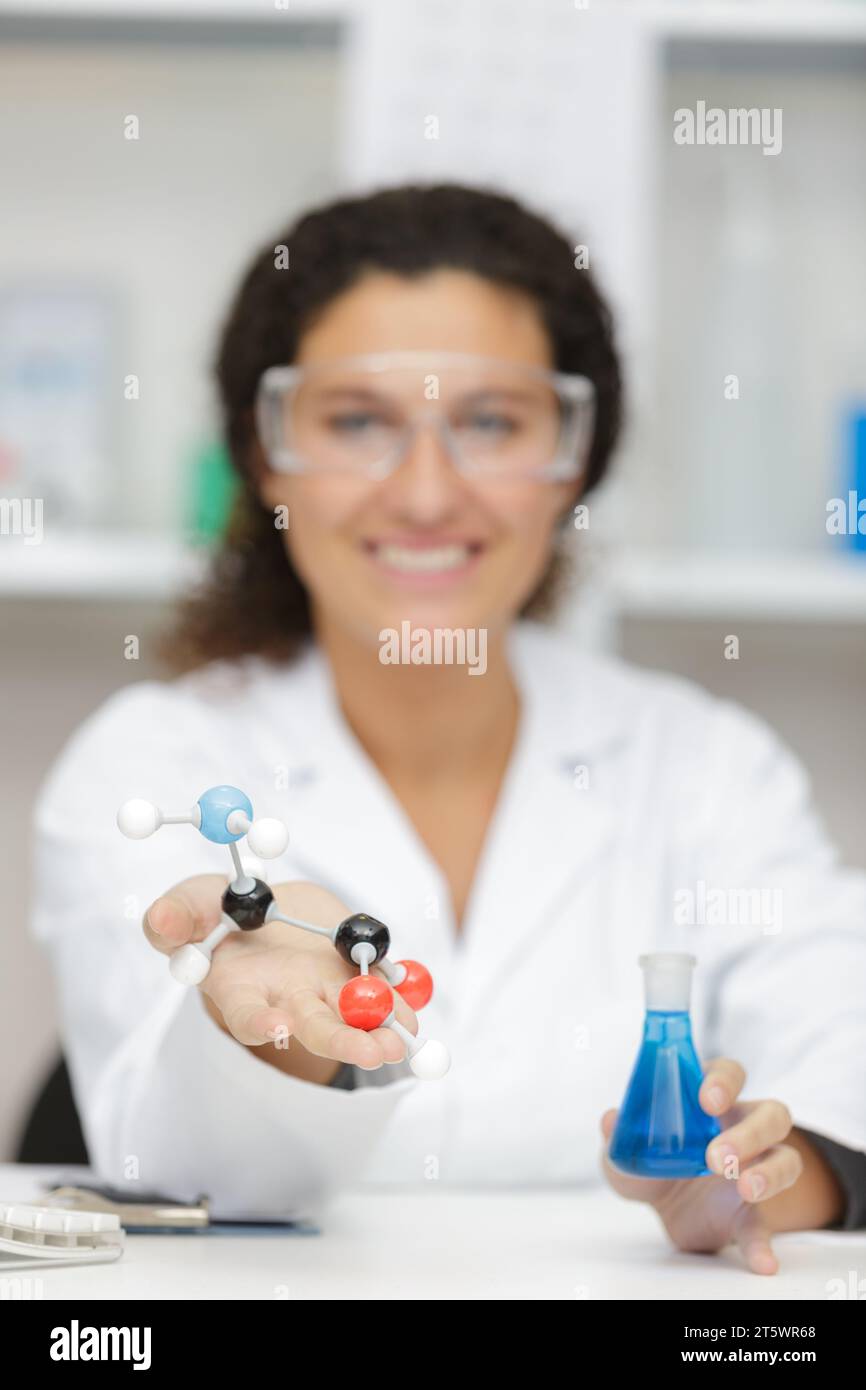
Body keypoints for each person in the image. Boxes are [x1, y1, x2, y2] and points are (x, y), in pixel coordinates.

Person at [32, 184, 866, 1274]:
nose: (425, 493)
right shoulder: (153, 765)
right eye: (357, 421)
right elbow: (176, 1155)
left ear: (573, 457)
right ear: (267, 453)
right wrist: (276, 1023)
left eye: (487, 422)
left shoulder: (706, 766)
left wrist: (765, 1175)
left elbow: (838, 1060)